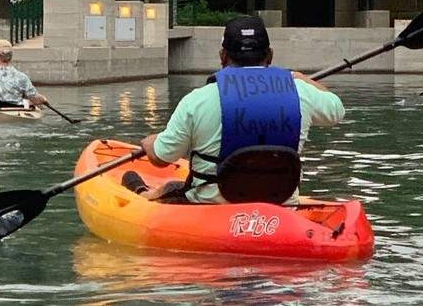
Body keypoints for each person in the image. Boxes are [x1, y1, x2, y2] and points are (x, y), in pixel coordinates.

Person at [138, 15, 345, 204]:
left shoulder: (197, 100)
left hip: (211, 208)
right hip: (281, 206)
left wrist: (150, 144)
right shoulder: (300, 91)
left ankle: (140, 192)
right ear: (270, 55)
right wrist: (300, 78)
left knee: (138, 182)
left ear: (223, 56)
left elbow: (161, 158)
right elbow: (336, 109)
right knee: (170, 187)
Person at [0, 39, 48, 108]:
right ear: (10, 56)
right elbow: (34, 98)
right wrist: (43, 99)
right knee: (29, 103)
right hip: (14, 109)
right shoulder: (21, 77)